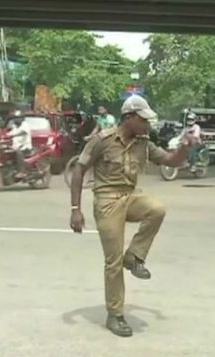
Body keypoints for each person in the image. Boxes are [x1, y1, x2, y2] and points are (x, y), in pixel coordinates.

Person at [68, 95, 194, 337]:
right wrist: (75, 209)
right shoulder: (102, 140)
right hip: (107, 200)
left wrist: (185, 148)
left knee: (157, 209)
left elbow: (170, 160)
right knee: (112, 261)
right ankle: (115, 315)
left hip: (130, 195)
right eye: (143, 119)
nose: (147, 124)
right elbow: (79, 169)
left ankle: (134, 257)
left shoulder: (143, 143)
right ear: (129, 118)